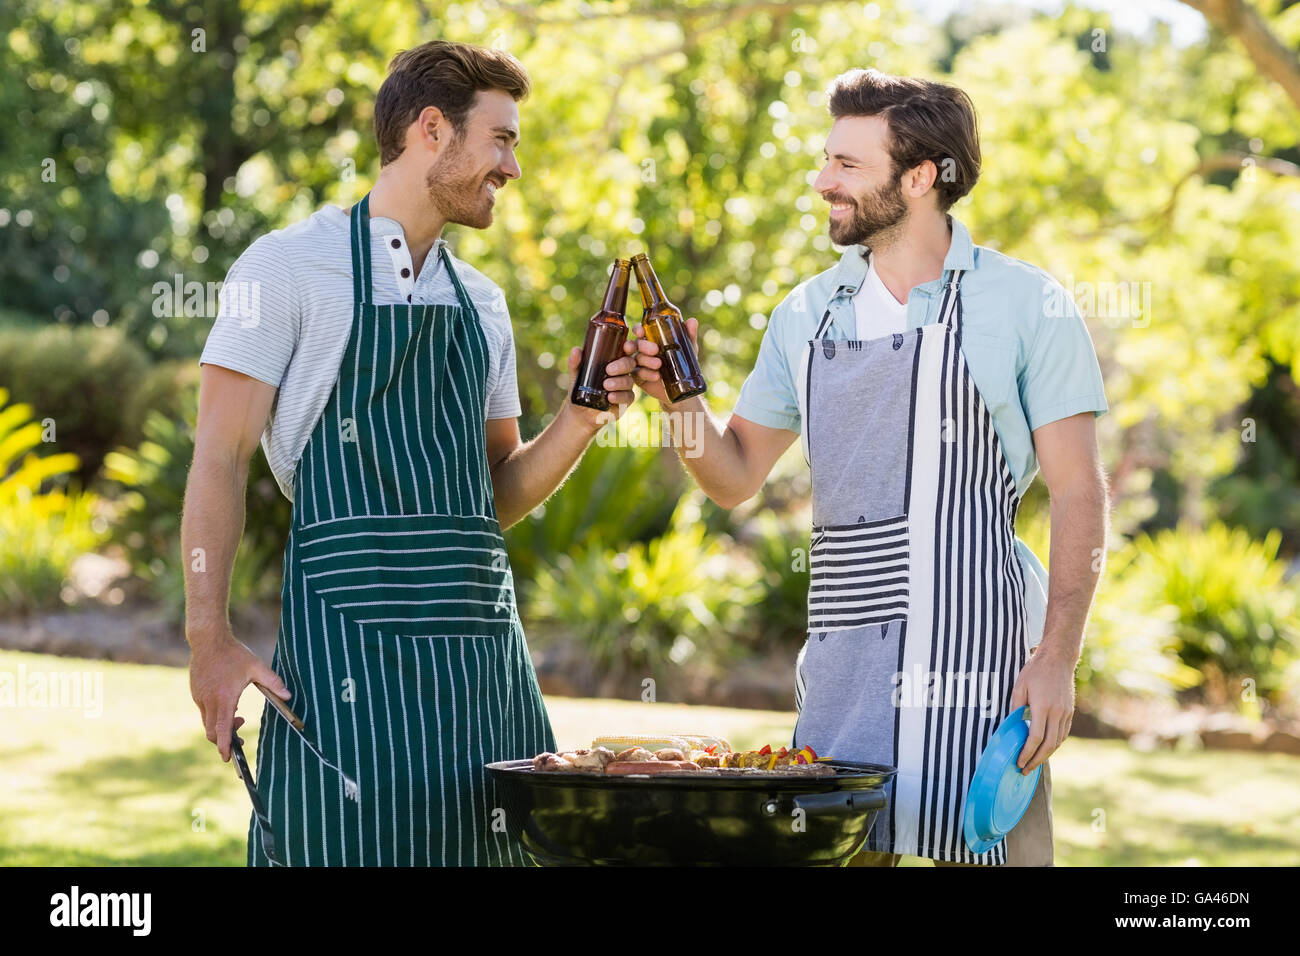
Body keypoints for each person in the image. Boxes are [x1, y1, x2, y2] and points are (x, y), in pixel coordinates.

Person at [632, 68, 1110, 866]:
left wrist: (1057, 657)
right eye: (828, 160)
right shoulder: (804, 314)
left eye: (847, 166)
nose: (823, 181)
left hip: (987, 671)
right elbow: (735, 473)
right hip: (846, 669)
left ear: (920, 178)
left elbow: (1079, 493)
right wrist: (676, 400)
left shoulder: (1029, 306)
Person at [182, 40, 637, 866]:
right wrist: (208, 641)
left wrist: (581, 418)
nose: (513, 167)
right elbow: (218, 456)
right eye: (501, 139)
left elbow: (488, 498)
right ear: (433, 129)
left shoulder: (483, 304)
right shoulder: (286, 268)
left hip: (483, 683)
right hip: (347, 678)